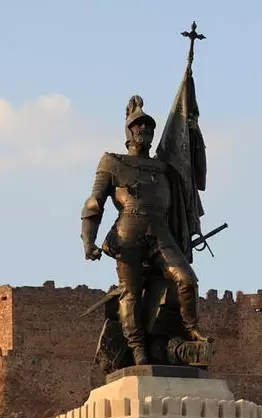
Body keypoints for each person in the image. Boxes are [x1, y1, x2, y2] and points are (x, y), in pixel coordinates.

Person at [81, 96, 207, 366]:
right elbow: (94, 203)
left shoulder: (164, 168)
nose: (145, 131)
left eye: (149, 127)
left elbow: (182, 195)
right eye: (139, 127)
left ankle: (191, 329)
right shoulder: (112, 162)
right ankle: (138, 347)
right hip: (128, 235)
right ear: (129, 132)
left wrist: (191, 129)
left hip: (161, 233)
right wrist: (88, 242)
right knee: (131, 293)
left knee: (186, 280)